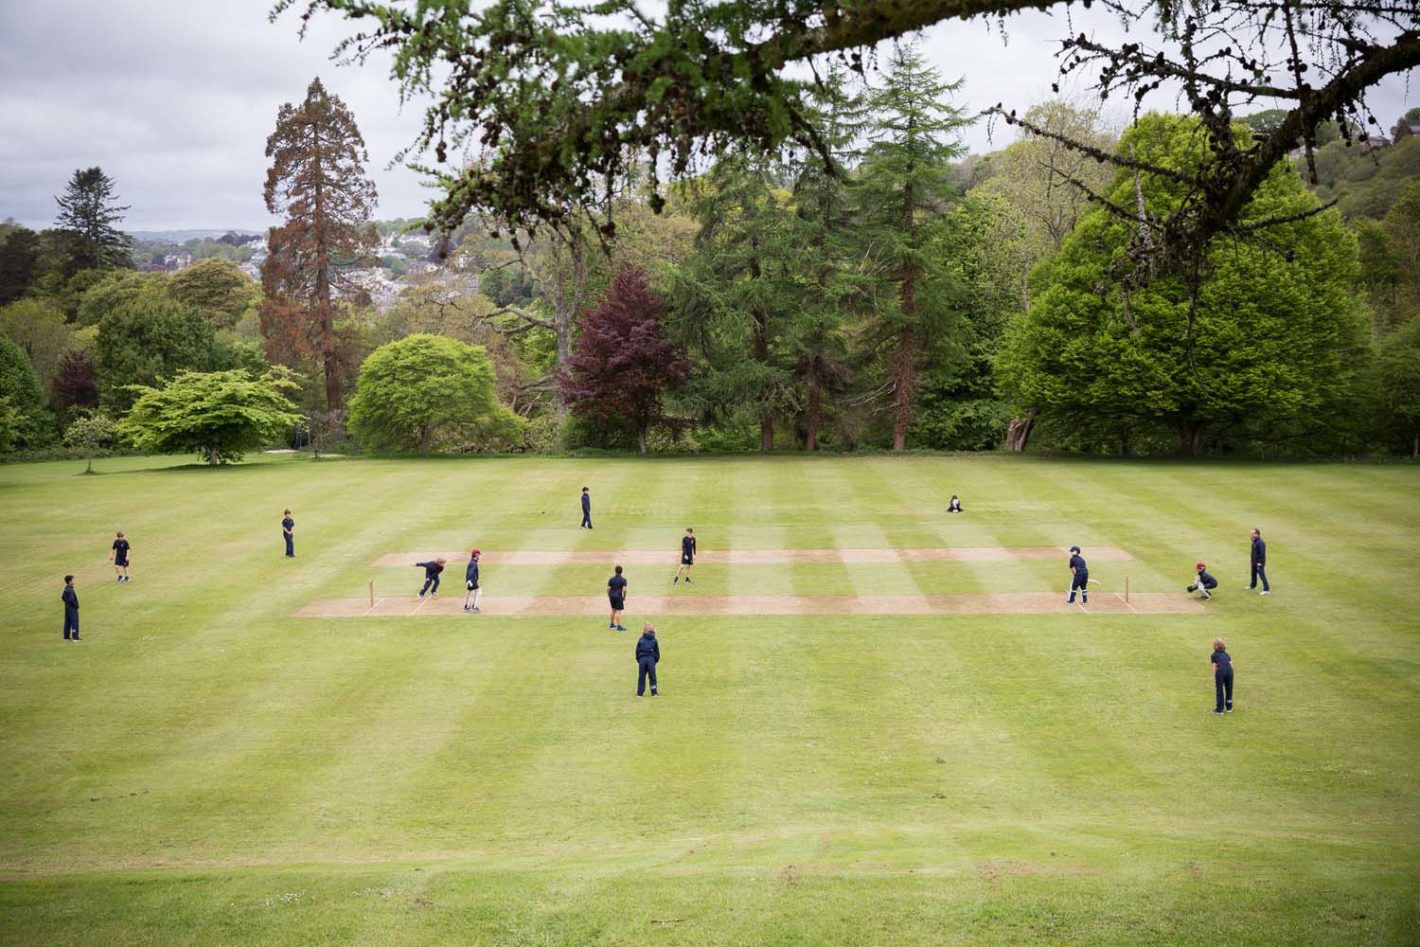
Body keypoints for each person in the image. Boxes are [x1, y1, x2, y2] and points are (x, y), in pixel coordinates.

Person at [1211, 638, 1235, 715]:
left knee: (1219, 690)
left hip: (1221, 672)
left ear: (1215, 646)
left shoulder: (1214, 655)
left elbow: (1214, 666)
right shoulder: (1227, 654)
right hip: (1229, 672)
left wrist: (1215, 676)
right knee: (1229, 689)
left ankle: (1219, 710)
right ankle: (1229, 707)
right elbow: (1231, 665)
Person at [635, 623, 660, 697]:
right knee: (652, 676)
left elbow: (637, 651)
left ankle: (640, 693)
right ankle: (654, 692)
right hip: (651, 659)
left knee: (641, 676)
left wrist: (639, 659)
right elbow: (657, 652)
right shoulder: (654, 640)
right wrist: (655, 660)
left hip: (642, 660)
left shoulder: (641, 640)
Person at [1249, 528, 1270, 595]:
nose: (1251, 534)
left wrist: (1259, 563)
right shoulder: (1254, 540)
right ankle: (1253, 585)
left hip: (1259, 563)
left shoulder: (1260, 542)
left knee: (1262, 575)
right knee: (1253, 574)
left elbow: (1262, 554)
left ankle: (1266, 589)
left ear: (1257, 534)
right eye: (1251, 533)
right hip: (1254, 561)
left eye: (1253, 533)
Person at [607, 565, 628, 631]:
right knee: (618, 611)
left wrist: (609, 595)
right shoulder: (623, 580)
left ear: (615, 571)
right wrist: (624, 597)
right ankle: (618, 626)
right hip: (618, 596)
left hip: (611, 596)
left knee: (613, 610)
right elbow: (624, 590)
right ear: (621, 572)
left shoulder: (611, 579)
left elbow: (608, 589)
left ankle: (612, 624)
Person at [463, 549, 483, 613]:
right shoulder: (473, 563)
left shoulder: (472, 562)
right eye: (479, 554)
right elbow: (470, 573)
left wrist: (467, 581)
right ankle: (474, 608)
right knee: (479, 592)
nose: (480, 556)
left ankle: (467, 607)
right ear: (476, 555)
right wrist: (470, 581)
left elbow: (468, 572)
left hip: (470, 580)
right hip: (472, 580)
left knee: (469, 593)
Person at [62, 575, 80, 642]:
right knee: (74, 622)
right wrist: (76, 605)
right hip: (72, 608)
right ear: (69, 581)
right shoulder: (70, 590)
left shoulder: (66, 588)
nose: (74, 581)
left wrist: (67, 603)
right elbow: (71, 599)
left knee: (67, 622)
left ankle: (66, 637)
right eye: (73, 580)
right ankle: (75, 637)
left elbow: (63, 597)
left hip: (67, 608)